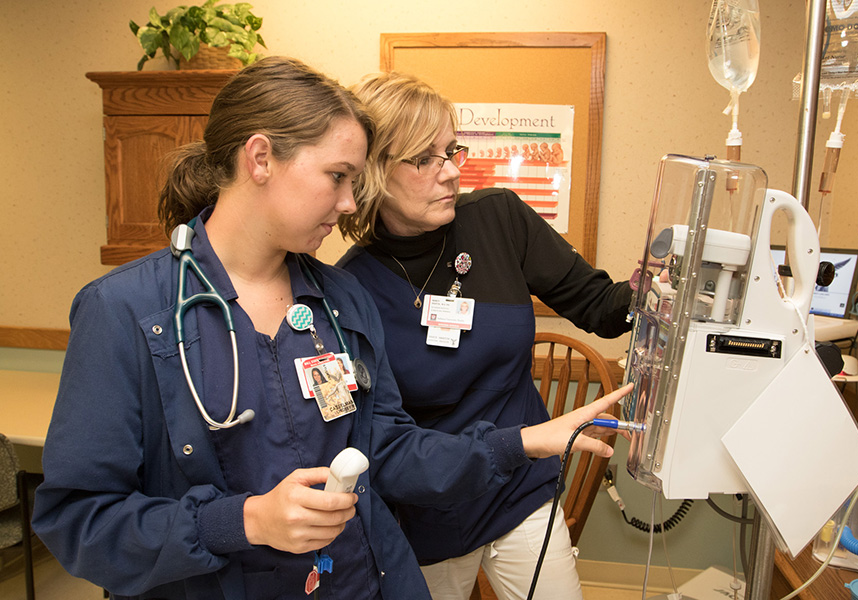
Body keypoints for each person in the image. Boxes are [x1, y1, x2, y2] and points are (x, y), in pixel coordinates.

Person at [31, 57, 628, 600]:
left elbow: (387, 451)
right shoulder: (126, 313)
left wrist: (521, 441)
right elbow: (79, 520)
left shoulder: (340, 301)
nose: (350, 203)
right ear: (260, 158)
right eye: (338, 176)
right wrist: (243, 521)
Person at [337, 71, 634, 600]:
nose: (450, 173)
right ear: (372, 172)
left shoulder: (498, 219)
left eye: (452, 152)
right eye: (424, 159)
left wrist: (656, 288)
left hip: (520, 487)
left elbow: (601, 306)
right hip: (429, 510)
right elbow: (385, 444)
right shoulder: (350, 288)